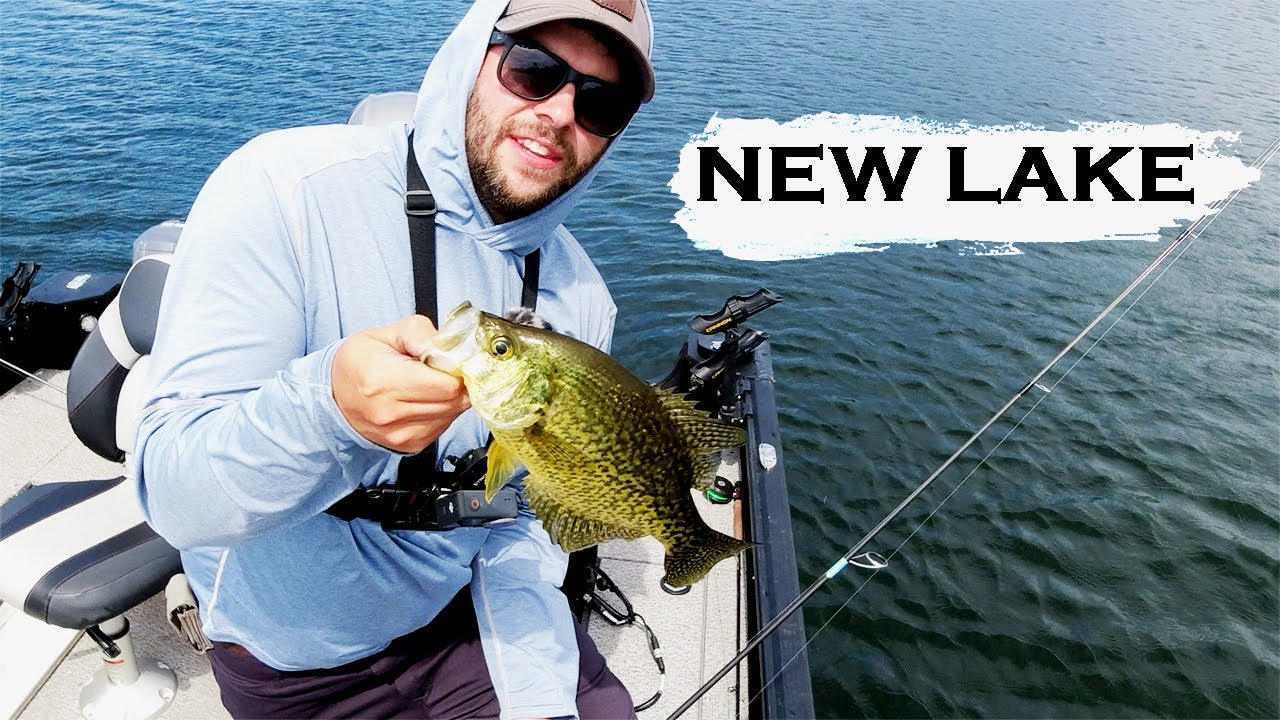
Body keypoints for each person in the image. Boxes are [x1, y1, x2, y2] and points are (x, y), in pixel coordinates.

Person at [132, 0, 655, 717]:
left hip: (464, 610)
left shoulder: (584, 300)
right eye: (534, 69)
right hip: (296, 662)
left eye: (601, 102)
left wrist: (537, 689)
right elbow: (174, 496)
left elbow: (527, 519)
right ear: (470, 56)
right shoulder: (281, 189)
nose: (561, 112)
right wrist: (330, 412)